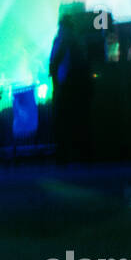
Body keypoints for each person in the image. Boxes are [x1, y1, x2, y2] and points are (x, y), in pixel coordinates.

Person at [50, 15, 93, 163]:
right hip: (76, 87)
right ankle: (81, 155)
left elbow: (54, 63)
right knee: (78, 122)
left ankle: (64, 156)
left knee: (63, 122)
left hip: (65, 88)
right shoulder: (77, 41)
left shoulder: (62, 41)